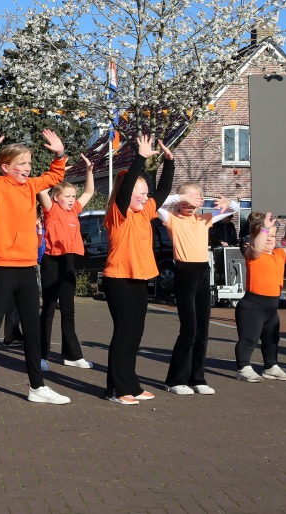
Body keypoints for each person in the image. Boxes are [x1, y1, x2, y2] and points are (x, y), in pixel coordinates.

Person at [0, 122, 70, 412]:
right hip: (3, 268)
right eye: (21, 163)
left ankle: (37, 386)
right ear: (5, 167)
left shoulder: (31, 186)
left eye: (29, 163)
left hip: (28, 267)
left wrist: (59, 153)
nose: (27, 168)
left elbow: (55, 174)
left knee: (33, 330)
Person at [101, 135, 173, 405]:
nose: (144, 197)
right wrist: (140, 158)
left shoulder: (145, 212)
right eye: (139, 193)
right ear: (126, 193)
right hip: (118, 279)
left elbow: (163, 191)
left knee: (135, 335)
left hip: (139, 279)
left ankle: (130, 383)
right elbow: (126, 186)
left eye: (145, 193)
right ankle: (117, 390)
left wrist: (169, 161)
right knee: (124, 333)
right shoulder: (118, 214)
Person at [159, 185, 238, 395]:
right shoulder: (172, 218)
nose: (191, 204)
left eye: (196, 200)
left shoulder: (204, 219)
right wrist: (180, 197)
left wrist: (226, 203)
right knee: (189, 329)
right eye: (187, 200)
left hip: (204, 271)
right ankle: (175, 380)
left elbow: (235, 208)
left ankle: (197, 378)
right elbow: (155, 202)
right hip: (185, 272)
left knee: (203, 330)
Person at [36, 154, 96, 371]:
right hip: (52, 261)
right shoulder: (50, 209)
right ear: (57, 196)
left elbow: (89, 191)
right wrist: (58, 173)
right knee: (49, 309)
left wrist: (89, 171)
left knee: (68, 311)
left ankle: (71, 355)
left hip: (68, 263)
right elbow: (41, 190)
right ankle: (41, 356)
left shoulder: (75, 210)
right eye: (67, 196)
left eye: (73, 196)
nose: (71, 199)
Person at [236, 213, 286, 383]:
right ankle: (243, 367)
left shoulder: (279, 254)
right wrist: (265, 230)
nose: (270, 239)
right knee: (249, 339)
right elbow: (257, 248)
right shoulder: (253, 254)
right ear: (255, 237)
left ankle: (271, 367)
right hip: (252, 306)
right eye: (267, 235)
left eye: (273, 236)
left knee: (272, 340)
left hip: (271, 308)